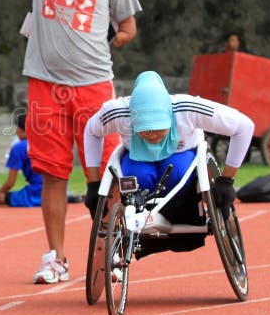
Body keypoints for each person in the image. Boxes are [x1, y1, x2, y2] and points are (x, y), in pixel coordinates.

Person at [7, 0, 141, 284]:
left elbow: (129, 24)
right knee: (52, 173)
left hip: (95, 87)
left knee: (108, 173)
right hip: (45, 86)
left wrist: (121, 35)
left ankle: (113, 253)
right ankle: (56, 258)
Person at [84, 71, 254, 229]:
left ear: (169, 116)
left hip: (180, 154)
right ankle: (139, 213)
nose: (151, 135)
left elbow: (244, 126)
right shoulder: (119, 112)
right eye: (144, 129)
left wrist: (226, 180)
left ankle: (178, 212)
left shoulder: (186, 108)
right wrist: (93, 184)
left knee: (177, 175)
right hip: (136, 158)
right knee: (138, 178)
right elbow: (91, 130)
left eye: (158, 128)